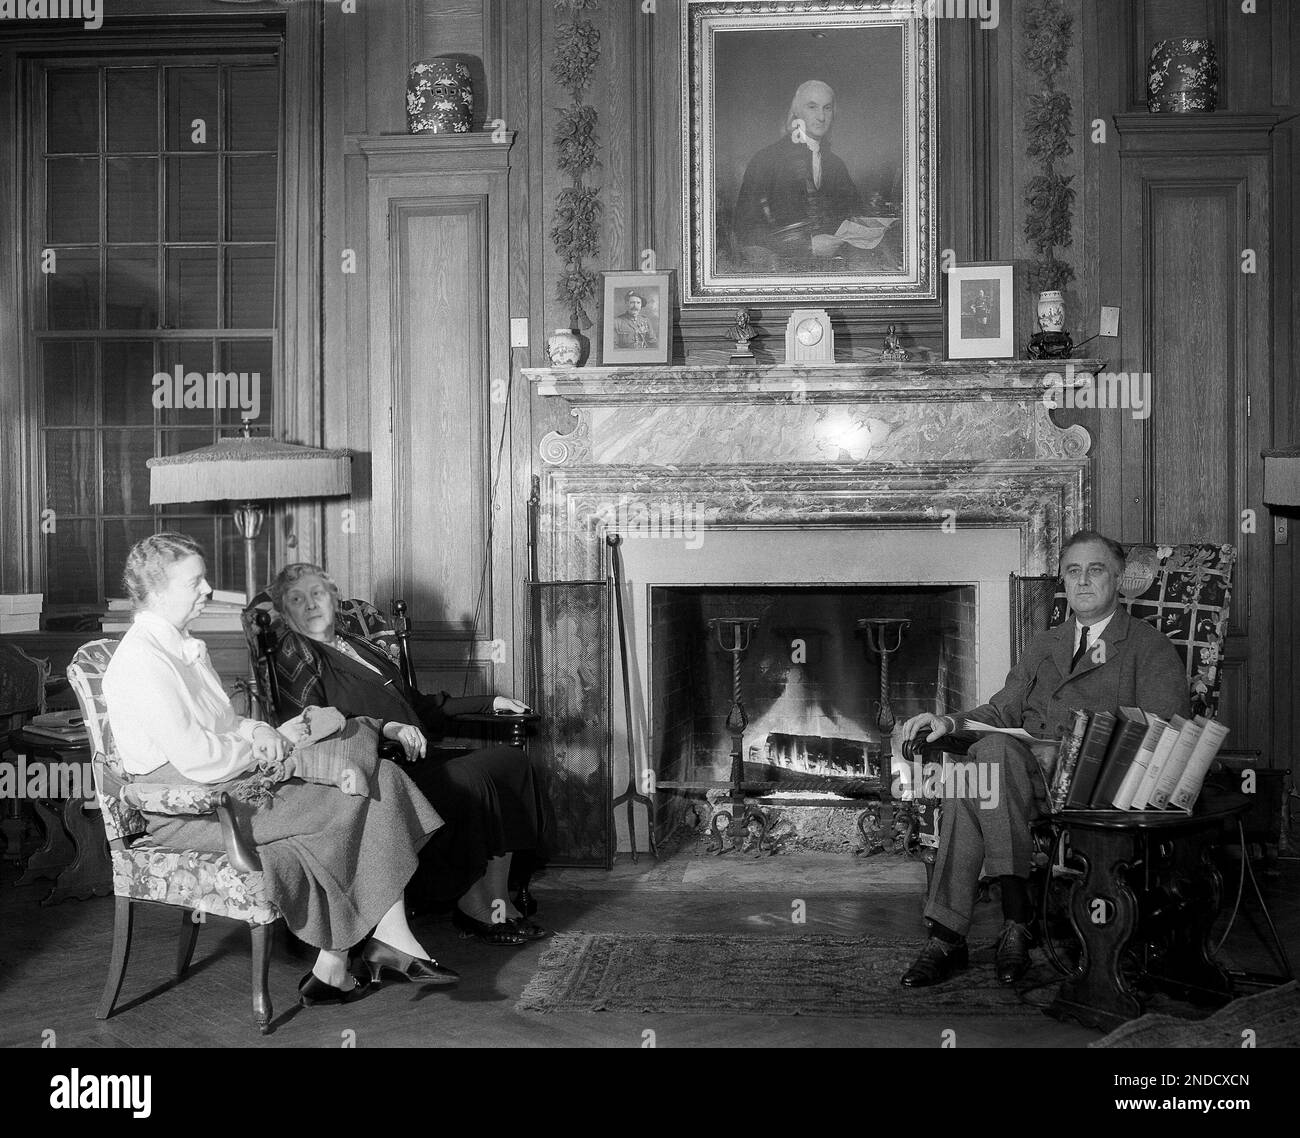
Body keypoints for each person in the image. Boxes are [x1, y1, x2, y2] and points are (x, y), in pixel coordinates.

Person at [102, 534, 460, 1009]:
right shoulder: (142, 660)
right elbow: (199, 760)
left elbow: (227, 725)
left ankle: (370, 949)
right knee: (368, 789)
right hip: (192, 807)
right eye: (196, 582)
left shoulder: (185, 646)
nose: (208, 589)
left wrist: (258, 732)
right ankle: (350, 955)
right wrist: (274, 745)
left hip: (229, 783)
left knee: (386, 778)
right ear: (159, 589)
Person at [898, 530, 1190, 988]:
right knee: (983, 763)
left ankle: (951, 935)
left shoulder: (1148, 648)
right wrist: (949, 723)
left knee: (975, 774)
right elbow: (1001, 710)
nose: (1084, 581)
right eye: (1073, 571)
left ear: (1118, 580)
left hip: (1096, 786)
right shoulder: (1045, 644)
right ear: (1063, 582)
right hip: (1025, 778)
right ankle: (1010, 924)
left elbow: (1164, 734)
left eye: (1096, 570)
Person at [268, 563, 550, 947]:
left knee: (511, 762)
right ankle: (474, 905)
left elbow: (417, 704)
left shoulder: (360, 645)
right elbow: (309, 725)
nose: (311, 606)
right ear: (286, 612)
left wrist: (490, 700)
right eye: (297, 600)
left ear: (334, 596)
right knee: (472, 777)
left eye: (317, 594)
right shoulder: (299, 653)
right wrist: (386, 728)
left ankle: (496, 898)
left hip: (416, 756)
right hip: (380, 767)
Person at [732, 80, 866, 271]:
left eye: (827, 108)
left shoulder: (836, 164)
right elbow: (745, 231)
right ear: (796, 112)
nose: (821, 116)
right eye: (812, 107)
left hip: (836, 270)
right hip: (784, 273)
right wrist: (807, 247)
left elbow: (855, 214)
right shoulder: (766, 159)